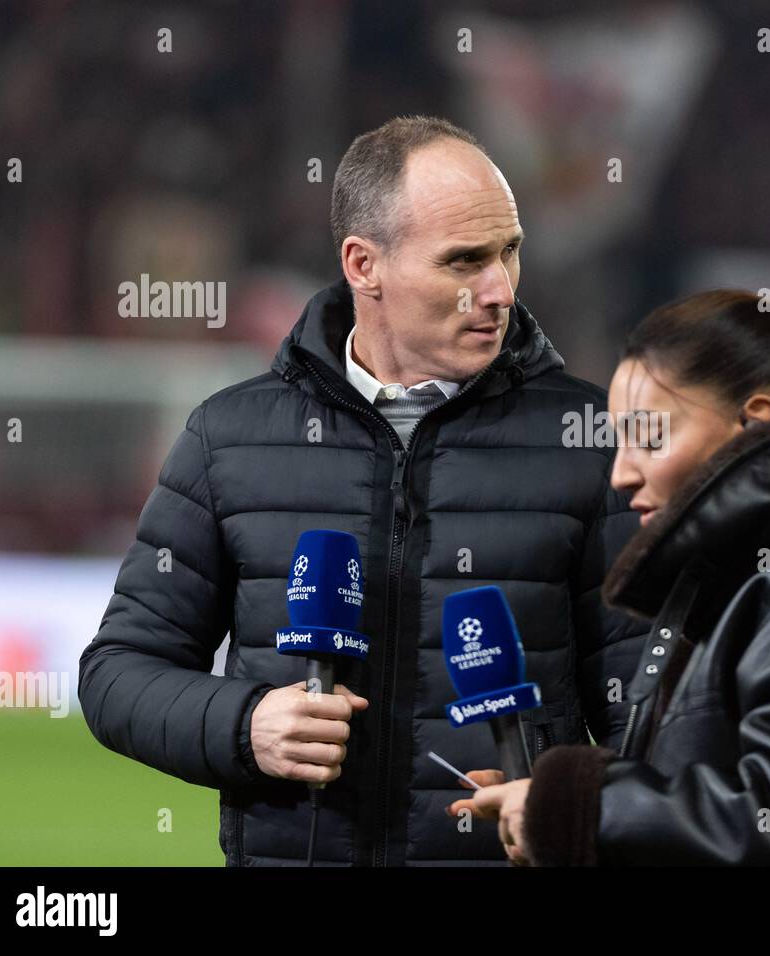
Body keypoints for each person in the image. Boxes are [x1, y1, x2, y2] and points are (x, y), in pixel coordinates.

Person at [79, 115, 646, 866]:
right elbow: (118, 674)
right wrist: (244, 724)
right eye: (464, 261)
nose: (499, 289)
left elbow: (652, 709)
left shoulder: (589, 439)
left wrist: (554, 779)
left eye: (510, 252)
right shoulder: (230, 438)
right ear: (363, 264)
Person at [453, 267, 770, 865]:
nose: (621, 474)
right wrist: (554, 810)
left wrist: (590, 809)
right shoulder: (754, 582)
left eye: (648, 438)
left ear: (754, 419)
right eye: (618, 443)